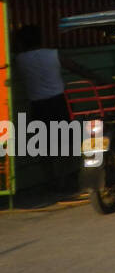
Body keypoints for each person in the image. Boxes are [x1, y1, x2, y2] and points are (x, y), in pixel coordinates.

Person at [12, 24, 101, 195]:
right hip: (60, 103)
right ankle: (68, 179)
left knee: (44, 146)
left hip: (38, 105)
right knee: (67, 143)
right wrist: (99, 79)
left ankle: (52, 181)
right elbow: (78, 68)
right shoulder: (53, 54)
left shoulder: (20, 59)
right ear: (41, 39)